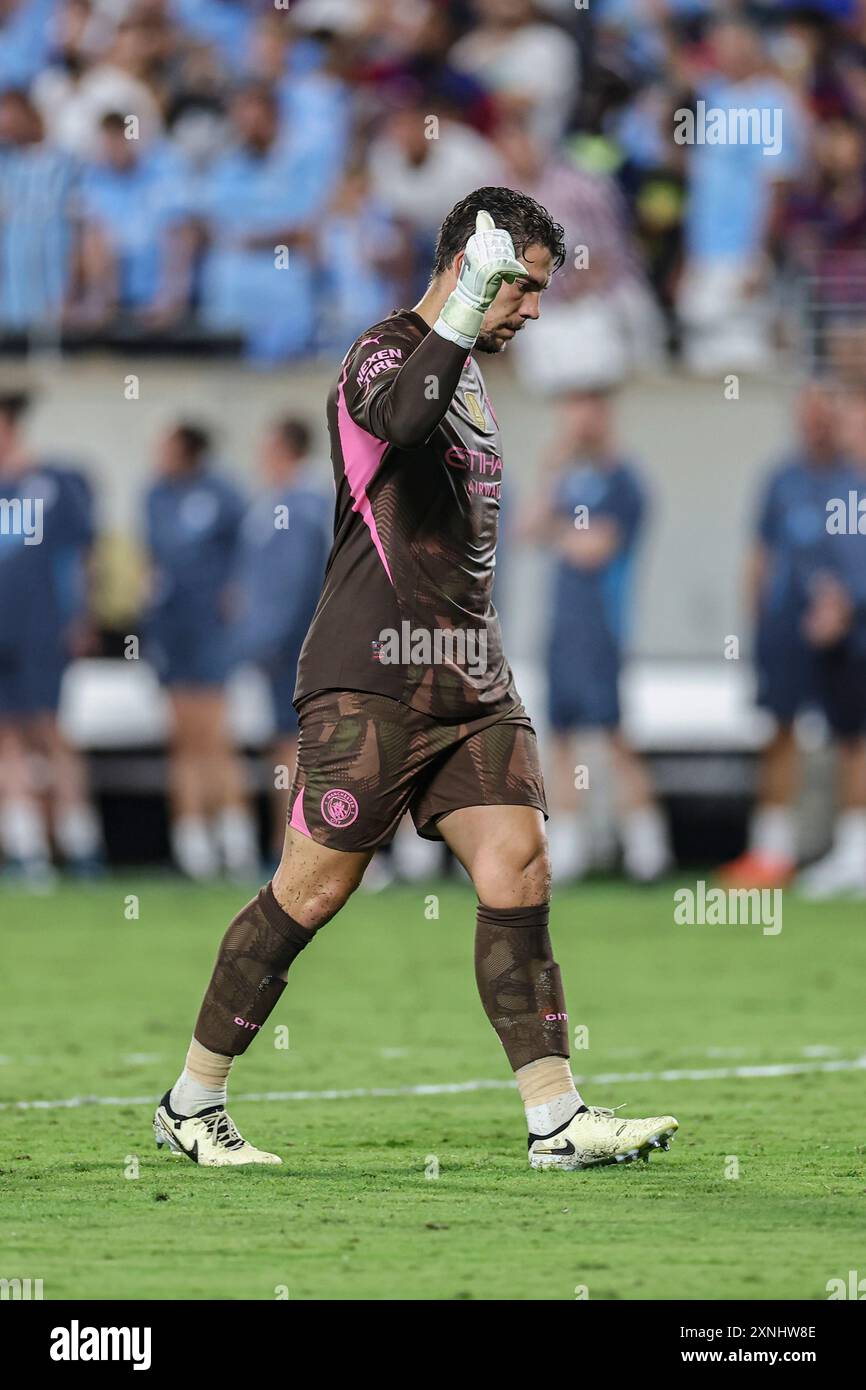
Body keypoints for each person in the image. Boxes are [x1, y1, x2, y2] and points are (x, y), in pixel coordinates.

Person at [153, 187, 678, 1170]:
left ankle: (554, 1119)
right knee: (307, 893)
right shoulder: (387, 351)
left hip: (468, 679)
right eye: (518, 286)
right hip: (371, 680)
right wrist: (463, 303)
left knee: (517, 862)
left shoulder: (467, 375)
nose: (530, 311)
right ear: (468, 264)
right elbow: (398, 419)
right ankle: (192, 1100)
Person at [719, 380, 859, 890]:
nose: (816, 426)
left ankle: (851, 851)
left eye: (826, 417)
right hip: (784, 630)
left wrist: (843, 608)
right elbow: (761, 554)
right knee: (779, 730)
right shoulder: (781, 479)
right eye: (809, 417)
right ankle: (773, 849)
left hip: (846, 632)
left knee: (851, 736)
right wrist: (755, 618)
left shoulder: (852, 480)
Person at [528, 390, 672, 883]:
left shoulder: (625, 482)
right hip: (563, 627)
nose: (577, 418)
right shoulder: (568, 476)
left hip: (602, 627)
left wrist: (558, 532)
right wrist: (551, 468)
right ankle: (565, 847)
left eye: (586, 407)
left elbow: (594, 549)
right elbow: (527, 527)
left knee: (613, 735)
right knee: (562, 735)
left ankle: (648, 847)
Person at [142, 421, 256, 881]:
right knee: (182, 735)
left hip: (210, 627)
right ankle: (191, 843)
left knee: (213, 734)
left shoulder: (223, 495)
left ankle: (236, 840)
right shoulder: (154, 496)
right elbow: (155, 558)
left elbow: (243, 561)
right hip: (171, 628)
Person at [0, 389, 103, 882]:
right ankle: (29, 853)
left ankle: (81, 844)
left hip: (42, 629)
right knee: (6, 738)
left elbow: (80, 556)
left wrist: (80, 614)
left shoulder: (54, 482)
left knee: (51, 732)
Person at [230, 417, 330, 856]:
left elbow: (292, 585)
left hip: (294, 645)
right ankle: (288, 842)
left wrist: (265, 640)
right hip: (282, 644)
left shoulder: (301, 507)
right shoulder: (274, 504)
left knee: (301, 745)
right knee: (284, 743)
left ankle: (303, 844)